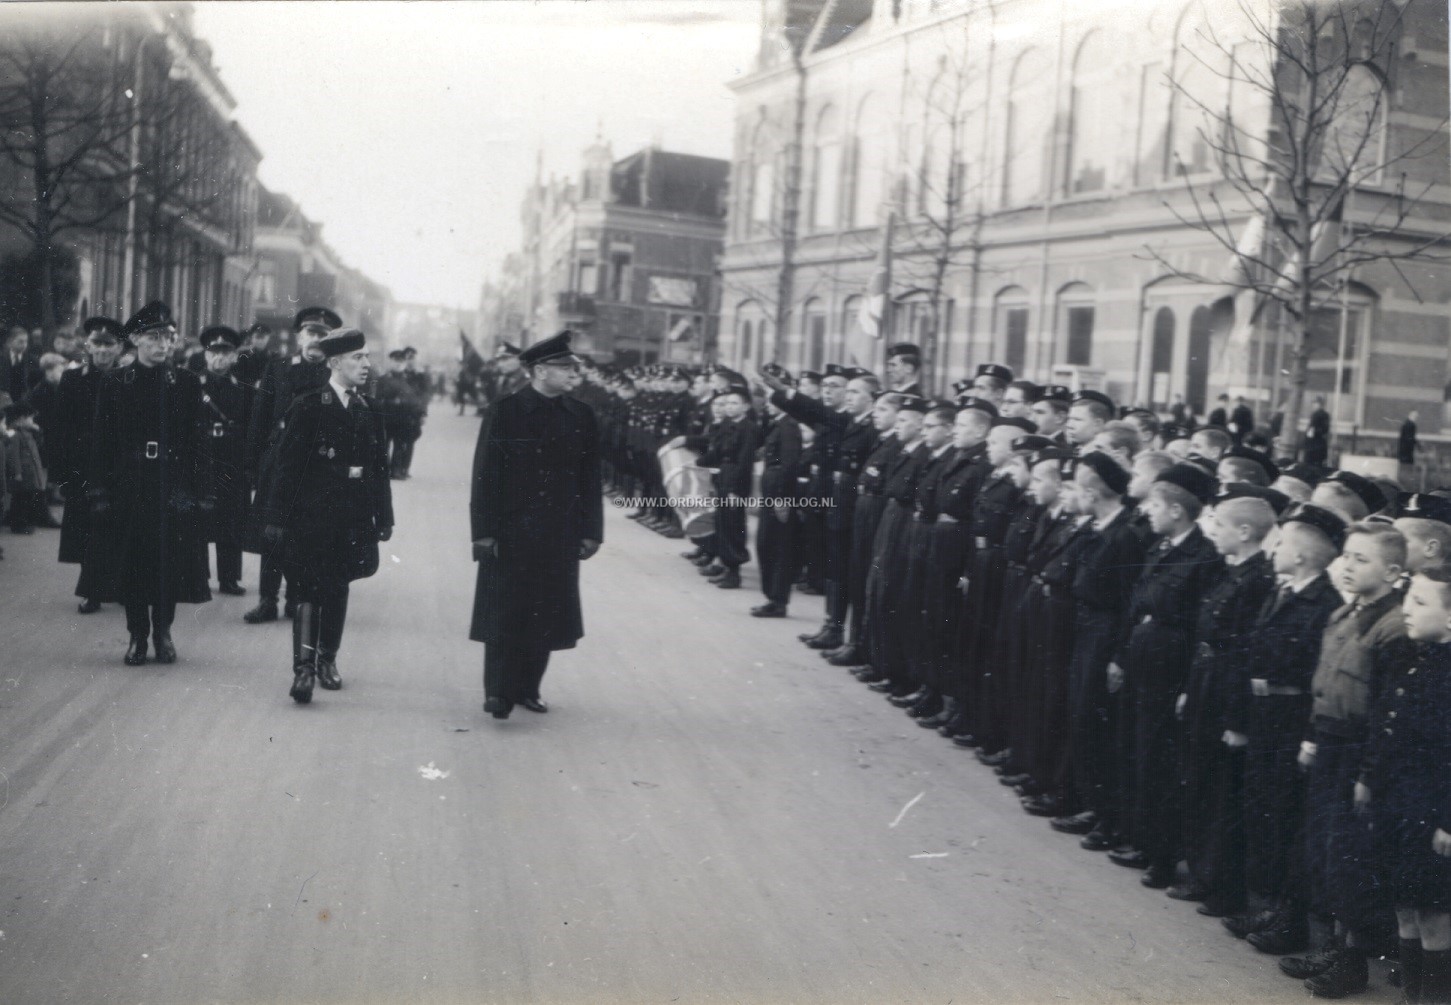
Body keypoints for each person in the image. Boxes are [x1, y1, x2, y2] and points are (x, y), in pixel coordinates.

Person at [1281, 523, 1413, 997]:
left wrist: (1368, 774)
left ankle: (1355, 961)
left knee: (1355, 857)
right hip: (1333, 741)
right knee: (1330, 850)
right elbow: (1327, 685)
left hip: (1361, 752)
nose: (1350, 567)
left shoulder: (1394, 628)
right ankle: (1337, 946)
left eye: (1363, 560)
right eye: (1348, 557)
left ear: (1395, 572)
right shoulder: (1345, 612)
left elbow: (1386, 712)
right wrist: (1313, 737)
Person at [470, 330, 602, 720]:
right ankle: (497, 692)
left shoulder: (581, 415)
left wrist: (592, 531)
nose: (573, 374)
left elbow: (589, 479)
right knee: (504, 611)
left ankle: (529, 687)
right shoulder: (505, 411)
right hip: (511, 532)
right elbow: (485, 476)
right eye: (565, 367)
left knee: (546, 612)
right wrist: (483, 532)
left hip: (558, 533)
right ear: (540, 371)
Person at [262, 328, 393, 704]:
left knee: (337, 588)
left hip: (351, 521)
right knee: (305, 589)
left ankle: (327, 662)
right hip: (310, 519)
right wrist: (276, 517)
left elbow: (378, 470)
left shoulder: (368, 410)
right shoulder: (309, 406)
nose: (366, 364)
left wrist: (384, 518)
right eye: (358, 358)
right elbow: (287, 467)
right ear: (335, 363)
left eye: (367, 357)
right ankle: (302, 669)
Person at [84, 301, 213, 666]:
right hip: (130, 484)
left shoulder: (186, 383)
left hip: (173, 485)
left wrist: (201, 492)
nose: (163, 345)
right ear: (136, 340)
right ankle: (138, 636)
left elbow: (198, 442)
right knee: (134, 563)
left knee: (167, 564)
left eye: (168, 338)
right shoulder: (116, 382)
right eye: (154, 337)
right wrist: (99, 490)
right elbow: (102, 441)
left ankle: (163, 633)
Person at [1359, 569, 1451, 1005]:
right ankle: (1412, 996)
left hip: (1434, 814)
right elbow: (1387, 728)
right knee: (1405, 907)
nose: (1406, 610)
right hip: (1399, 804)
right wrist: (1370, 782)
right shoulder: (1415, 657)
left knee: (1434, 915)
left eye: (1419, 602)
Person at [243, 306, 339, 624]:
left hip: (316, 470)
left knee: (305, 535)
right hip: (278, 464)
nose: (315, 340)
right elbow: (259, 416)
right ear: (300, 336)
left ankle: (296, 599)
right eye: (311, 333)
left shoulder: (334, 374)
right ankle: (267, 599)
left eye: (322, 335)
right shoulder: (278, 368)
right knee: (272, 532)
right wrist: (253, 465)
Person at [59, 317, 124, 613]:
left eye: (109, 344)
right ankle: (92, 591)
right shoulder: (72, 379)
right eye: (97, 343)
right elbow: (59, 427)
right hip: (81, 467)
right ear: (88, 345)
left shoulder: (128, 378)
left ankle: (120, 587)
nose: (102, 350)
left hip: (119, 466)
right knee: (86, 528)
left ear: (120, 347)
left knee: (119, 526)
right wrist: (59, 474)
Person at [196, 326, 253, 596]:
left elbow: (252, 430)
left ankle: (229, 579)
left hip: (231, 462)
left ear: (234, 357)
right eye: (214, 352)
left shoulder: (244, 389)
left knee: (231, 522)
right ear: (206, 355)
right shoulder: (192, 386)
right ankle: (198, 576)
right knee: (198, 520)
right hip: (200, 460)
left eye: (225, 352)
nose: (219, 358)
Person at [0, 325, 41, 401]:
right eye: (20, 341)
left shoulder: (32, 360)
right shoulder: (2, 358)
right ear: (10, 342)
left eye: (26, 341)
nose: (24, 345)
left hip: (25, 399)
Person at [1305, 396, 1331, 466]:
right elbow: (1325, 429)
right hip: (1320, 444)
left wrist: (1309, 436)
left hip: (1313, 445)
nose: (1313, 405)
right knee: (1319, 465)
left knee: (1310, 465)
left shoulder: (1316, 414)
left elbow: (1311, 430)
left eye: (1315, 403)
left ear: (1319, 404)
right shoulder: (1325, 415)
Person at [1400, 409, 1421, 486]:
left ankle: (1404, 483)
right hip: (1408, 452)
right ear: (1411, 415)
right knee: (1408, 469)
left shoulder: (1405, 424)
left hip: (1403, 452)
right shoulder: (1411, 425)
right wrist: (1419, 446)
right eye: (1415, 416)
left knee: (1404, 468)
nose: (1416, 418)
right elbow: (1411, 438)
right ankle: (1407, 483)